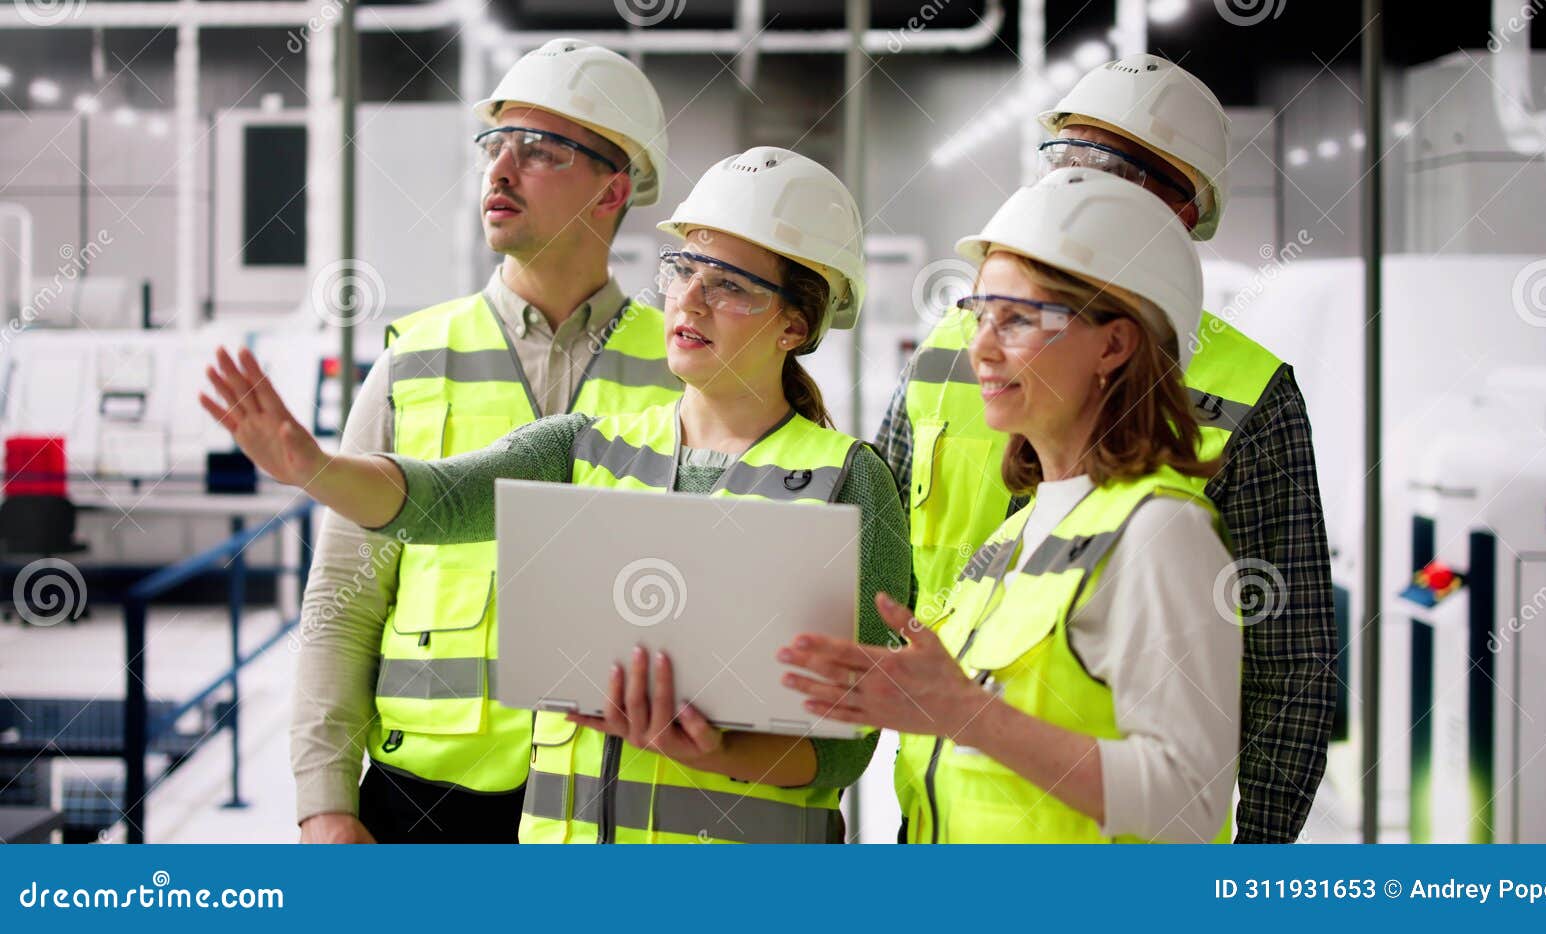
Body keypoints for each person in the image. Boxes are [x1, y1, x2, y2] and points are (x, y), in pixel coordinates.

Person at [204, 147, 910, 845]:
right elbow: (438, 500)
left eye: (729, 285)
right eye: (683, 270)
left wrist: (716, 753)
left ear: (794, 324)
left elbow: (848, 741)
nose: (689, 299)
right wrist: (315, 467)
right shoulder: (583, 447)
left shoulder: (848, 482)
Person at [877, 53, 1336, 842]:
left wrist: (1254, 875)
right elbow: (864, 562)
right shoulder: (953, 352)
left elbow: (1287, 664)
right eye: (1061, 158)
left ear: (1180, 211)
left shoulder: (1247, 397)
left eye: (1109, 167)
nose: (1072, 183)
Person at [292, 38, 681, 844]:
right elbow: (342, 598)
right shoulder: (416, 358)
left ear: (613, 190)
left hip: (617, 798)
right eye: (492, 147)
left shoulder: (682, 370)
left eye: (538, 151)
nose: (499, 172)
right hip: (426, 801)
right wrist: (325, 804)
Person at [780, 167, 1239, 843]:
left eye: (1018, 320)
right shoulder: (1019, 534)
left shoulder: (1159, 533)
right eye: (979, 315)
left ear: (1114, 344)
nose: (980, 350)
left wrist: (966, 713)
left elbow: (1187, 804)